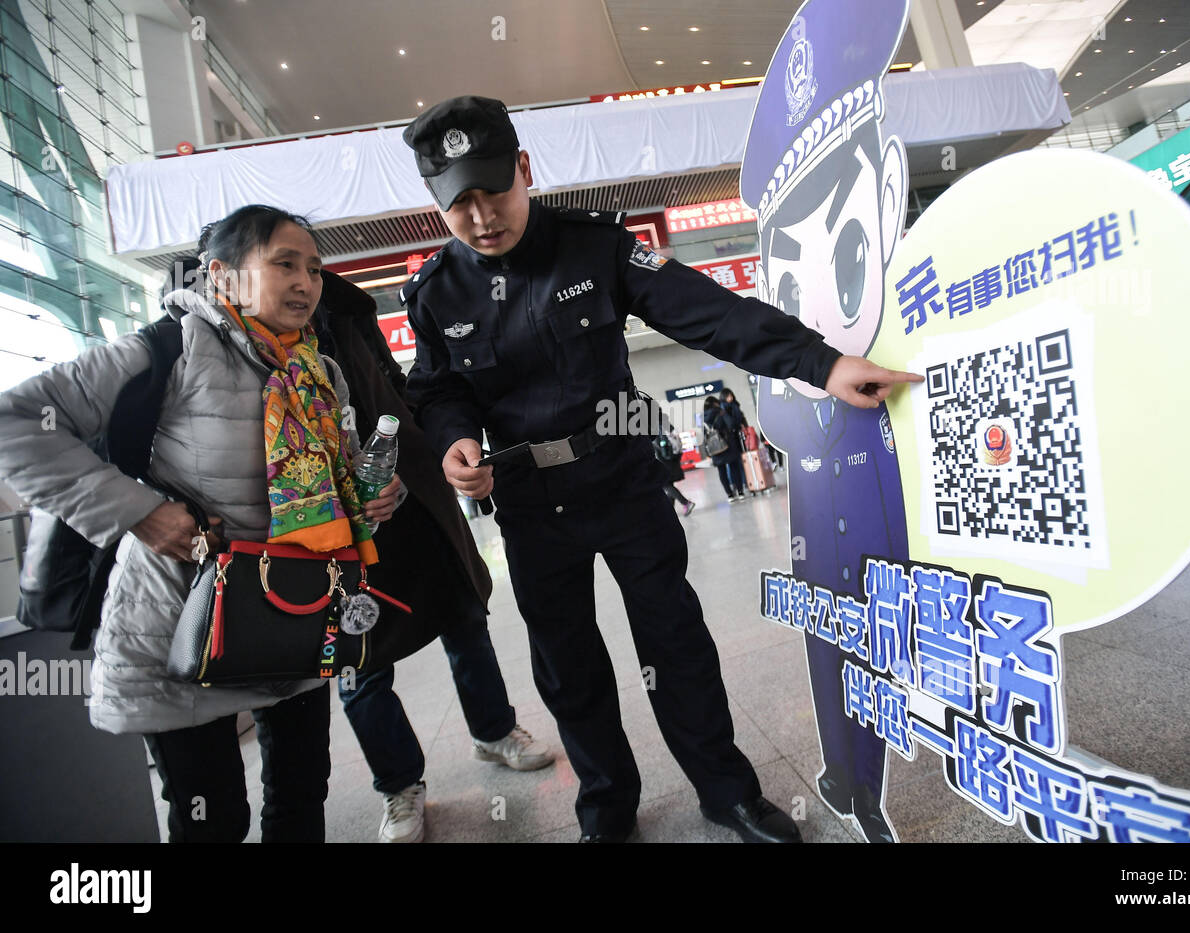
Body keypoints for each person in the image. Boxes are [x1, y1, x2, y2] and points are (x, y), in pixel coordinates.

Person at [398, 95, 920, 843]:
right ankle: (607, 808)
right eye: (461, 204)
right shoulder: (435, 293)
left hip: (622, 480)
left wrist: (823, 362)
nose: (482, 216)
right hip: (529, 501)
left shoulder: (595, 246)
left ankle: (726, 789)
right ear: (438, 205)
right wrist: (453, 439)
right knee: (567, 666)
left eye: (494, 189)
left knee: (675, 642)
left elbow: (712, 313)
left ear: (523, 167)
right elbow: (437, 387)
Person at [0, 205, 400, 842]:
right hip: (177, 613)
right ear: (224, 275)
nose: (306, 282)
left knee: (301, 799)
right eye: (285, 264)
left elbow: (344, 475)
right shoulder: (168, 348)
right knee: (210, 816)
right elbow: (16, 421)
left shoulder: (320, 373)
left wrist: (378, 496)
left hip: (294, 610)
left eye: (316, 269)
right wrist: (142, 514)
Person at [743, 0, 912, 842]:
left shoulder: (912, 337)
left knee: (883, 660)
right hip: (817, 541)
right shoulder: (785, 377)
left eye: (842, 254)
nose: (814, 305)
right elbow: (774, 409)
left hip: (893, 545)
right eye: (790, 278)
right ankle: (844, 778)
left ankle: (869, 790)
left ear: (886, 196)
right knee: (828, 654)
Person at [311, 269, 553, 844]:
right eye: (280, 264)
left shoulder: (345, 308)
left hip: (412, 489)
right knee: (359, 658)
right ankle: (398, 786)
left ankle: (494, 731)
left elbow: (396, 384)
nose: (298, 279)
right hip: (327, 525)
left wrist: (424, 448)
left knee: (463, 617)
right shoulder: (240, 348)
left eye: (304, 262)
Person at [702, 396, 745, 502]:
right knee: (734, 468)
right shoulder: (721, 412)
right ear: (716, 403)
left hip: (714, 447)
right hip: (728, 444)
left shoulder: (703, 418)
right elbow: (731, 424)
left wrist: (707, 452)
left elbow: (703, 435)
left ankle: (730, 495)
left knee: (722, 472)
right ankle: (740, 492)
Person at [720, 388, 759, 498]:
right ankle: (737, 484)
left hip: (740, 437)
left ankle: (746, 482)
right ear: (723, 397)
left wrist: (745, 427)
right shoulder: (722, 408)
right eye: (728, 396)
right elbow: (729, 423)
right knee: (734, 463)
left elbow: (741, 418)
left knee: (743, 461)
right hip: (731, 439)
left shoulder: (735, 405)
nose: (730, 398)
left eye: (731, 395)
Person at [652, 422, 694, 516]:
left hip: (665, 460)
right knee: (669, 484)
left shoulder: (656, 426)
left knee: (665, 484)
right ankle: (670, 512)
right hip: (673, 459)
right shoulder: (665, 423)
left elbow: (660, 445)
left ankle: (686, 503)